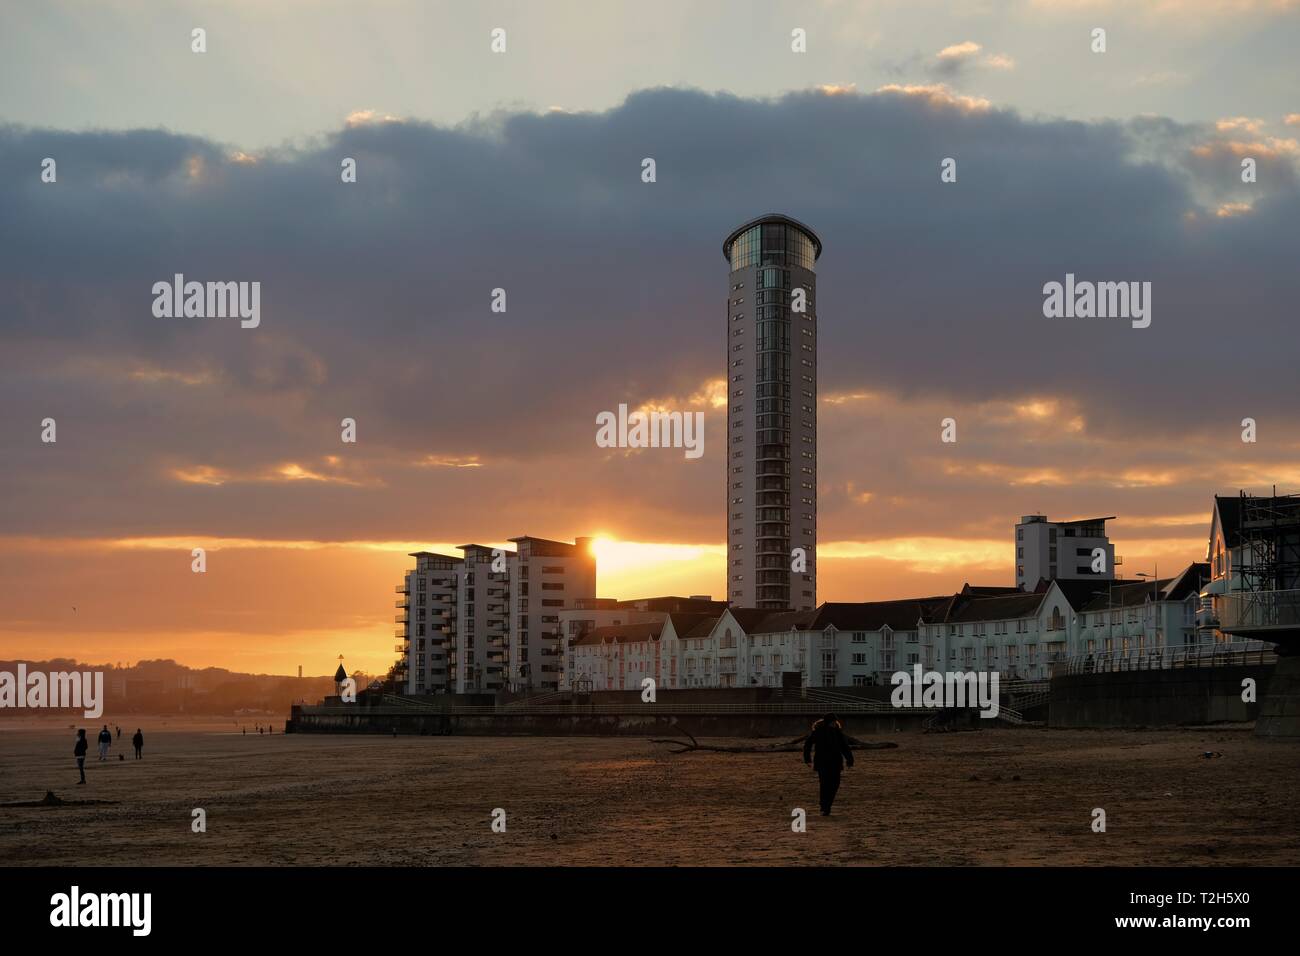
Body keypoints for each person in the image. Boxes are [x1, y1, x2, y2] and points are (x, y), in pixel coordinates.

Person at [802, 712, 854, 816]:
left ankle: (825, 806)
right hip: (827, 762)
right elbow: (808, 744)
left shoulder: (835, 732)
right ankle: (825, 806)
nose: (835, 722)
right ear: (830, 722)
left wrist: (850, 759)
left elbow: (844, 747)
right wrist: (807, 759)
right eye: (834, 721)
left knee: (831, 784)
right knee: (828, 784)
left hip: (830, 762)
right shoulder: (821, 732)